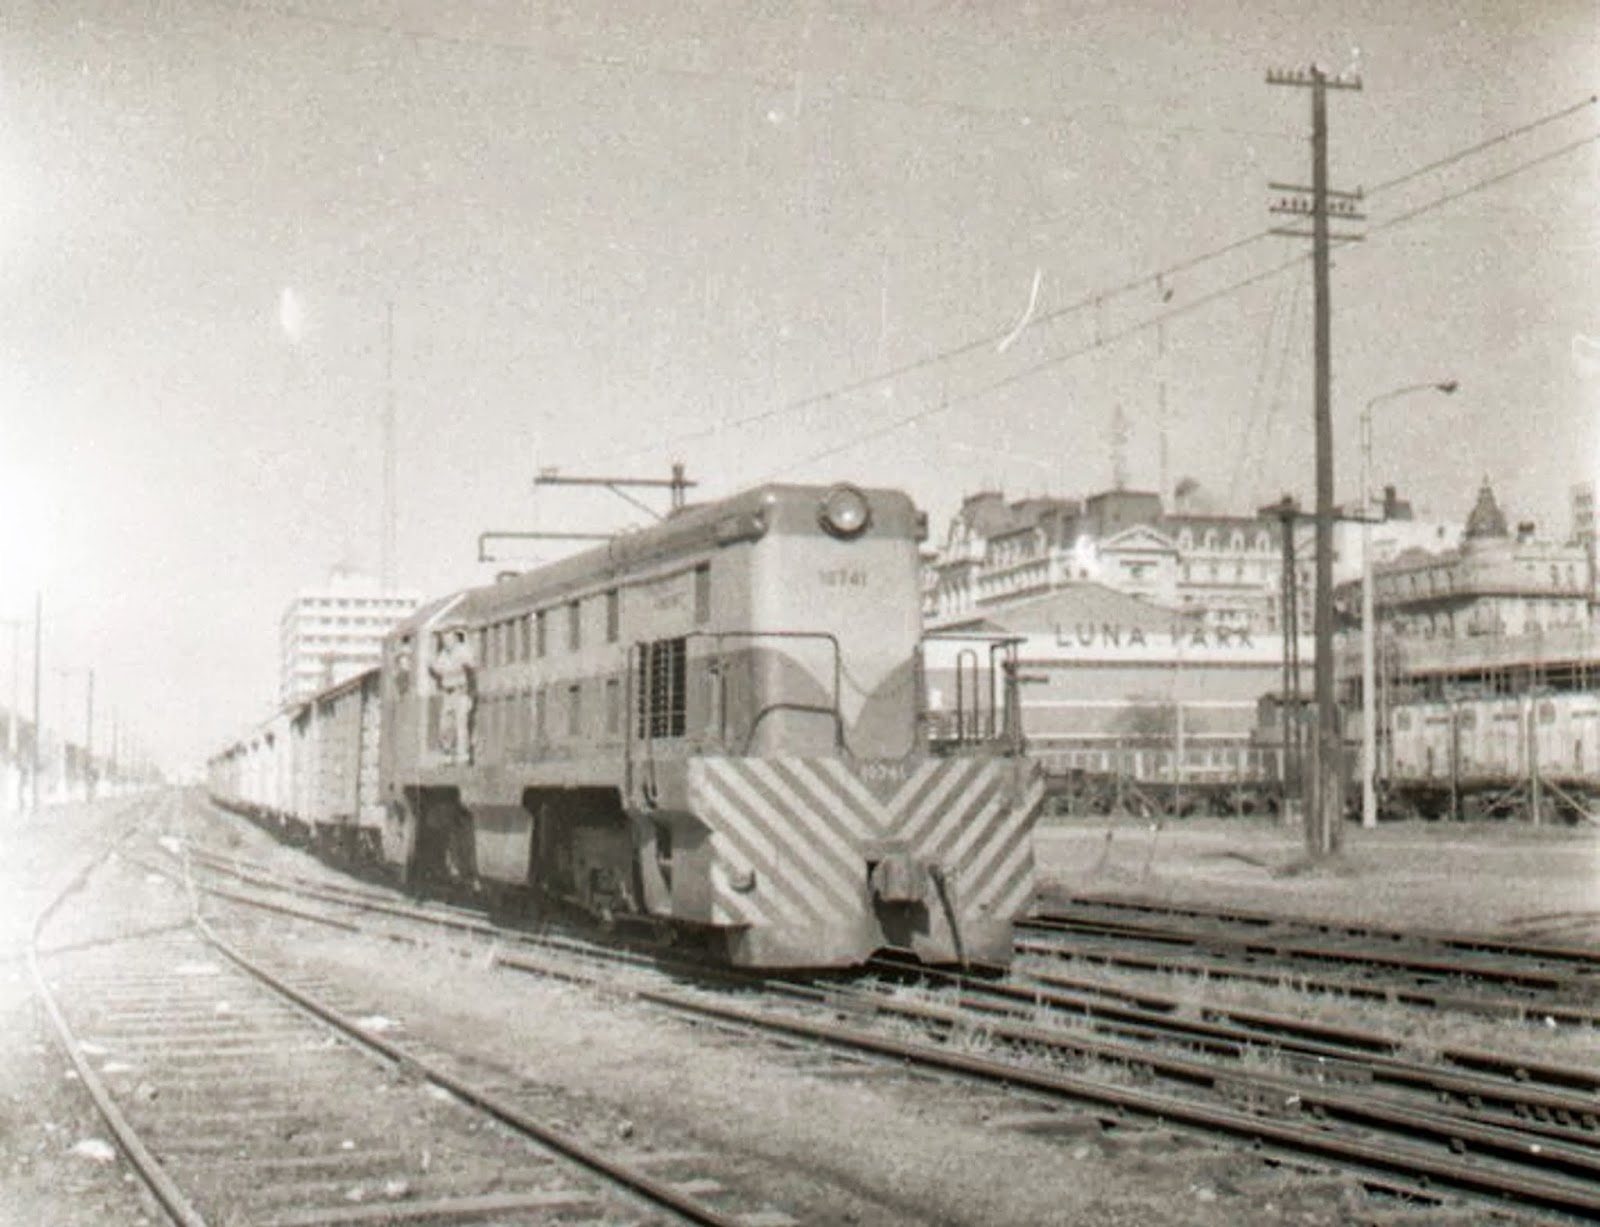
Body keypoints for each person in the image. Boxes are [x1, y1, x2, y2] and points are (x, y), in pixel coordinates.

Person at [431, 627, 477, 764]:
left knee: (461, 723)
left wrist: (465, 662)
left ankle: (463, 755)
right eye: (444, 638)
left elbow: (471, 664)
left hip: (461, 692)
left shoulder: (462, 650)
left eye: (448, 637)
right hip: (448, 693)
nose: (446, 640)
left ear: (455, 638)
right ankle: (447, 752)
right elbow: (438, 669)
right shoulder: (444, 654)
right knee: (445, 724)